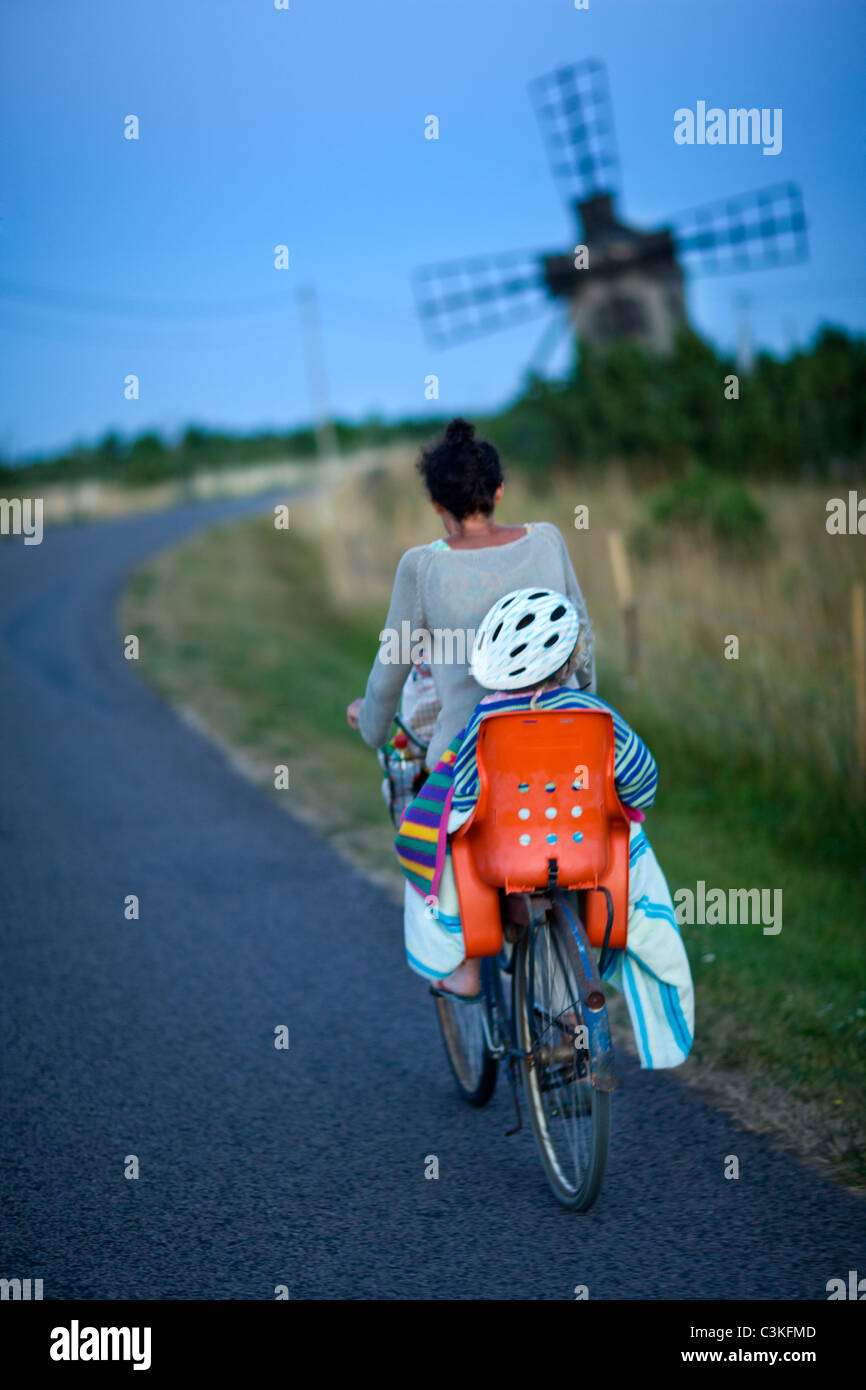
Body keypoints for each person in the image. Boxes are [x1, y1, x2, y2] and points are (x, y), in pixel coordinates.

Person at [394, 587, 694, 1071]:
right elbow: (643, 782)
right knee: (623, 844)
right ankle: (598, 972)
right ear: (571, 658)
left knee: (447, 846)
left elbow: (464, 796)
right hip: (583, 855)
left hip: (506, 860)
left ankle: (468, 968)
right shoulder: (598, 717)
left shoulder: (486, 721)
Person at [345, 417, 595, 770]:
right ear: (499, 490)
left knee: (419, 824)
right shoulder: (547, 541)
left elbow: (390, 670)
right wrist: (586, 704)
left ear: (435, 501)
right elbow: (580, 634)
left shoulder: (421, 566)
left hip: (466, 764)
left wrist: (371, 724)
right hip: (561, 751)